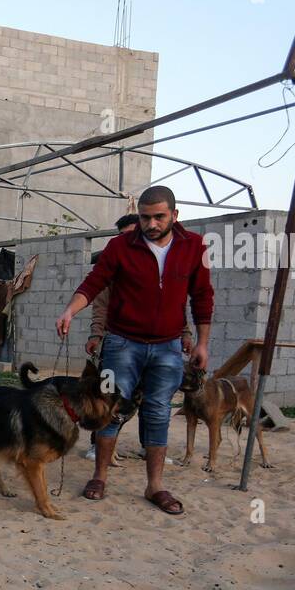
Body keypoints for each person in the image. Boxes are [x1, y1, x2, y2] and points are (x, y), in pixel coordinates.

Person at [56, 185, 213, 515]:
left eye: (159, 217)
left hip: (168, 348)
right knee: (109, 406)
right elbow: (94, 283)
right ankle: (99, 476)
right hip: (121, 344)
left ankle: (155, 485)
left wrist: (201, 343)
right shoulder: (119, 246)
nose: (152, 224)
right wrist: (71, 310)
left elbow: (202, 297)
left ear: (174, 215)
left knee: (158, 411)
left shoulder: (194, 246)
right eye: (145, 217)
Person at [83, 212, 194, 461]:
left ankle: (148, 446)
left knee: (154, 400)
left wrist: (185, 333)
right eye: (125, 236)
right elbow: (100, 304)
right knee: (109, 392)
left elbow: (177, 307)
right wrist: (96, 335)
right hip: (119, 344)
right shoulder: (113, 267)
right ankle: (96, 446)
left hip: (159, 345)